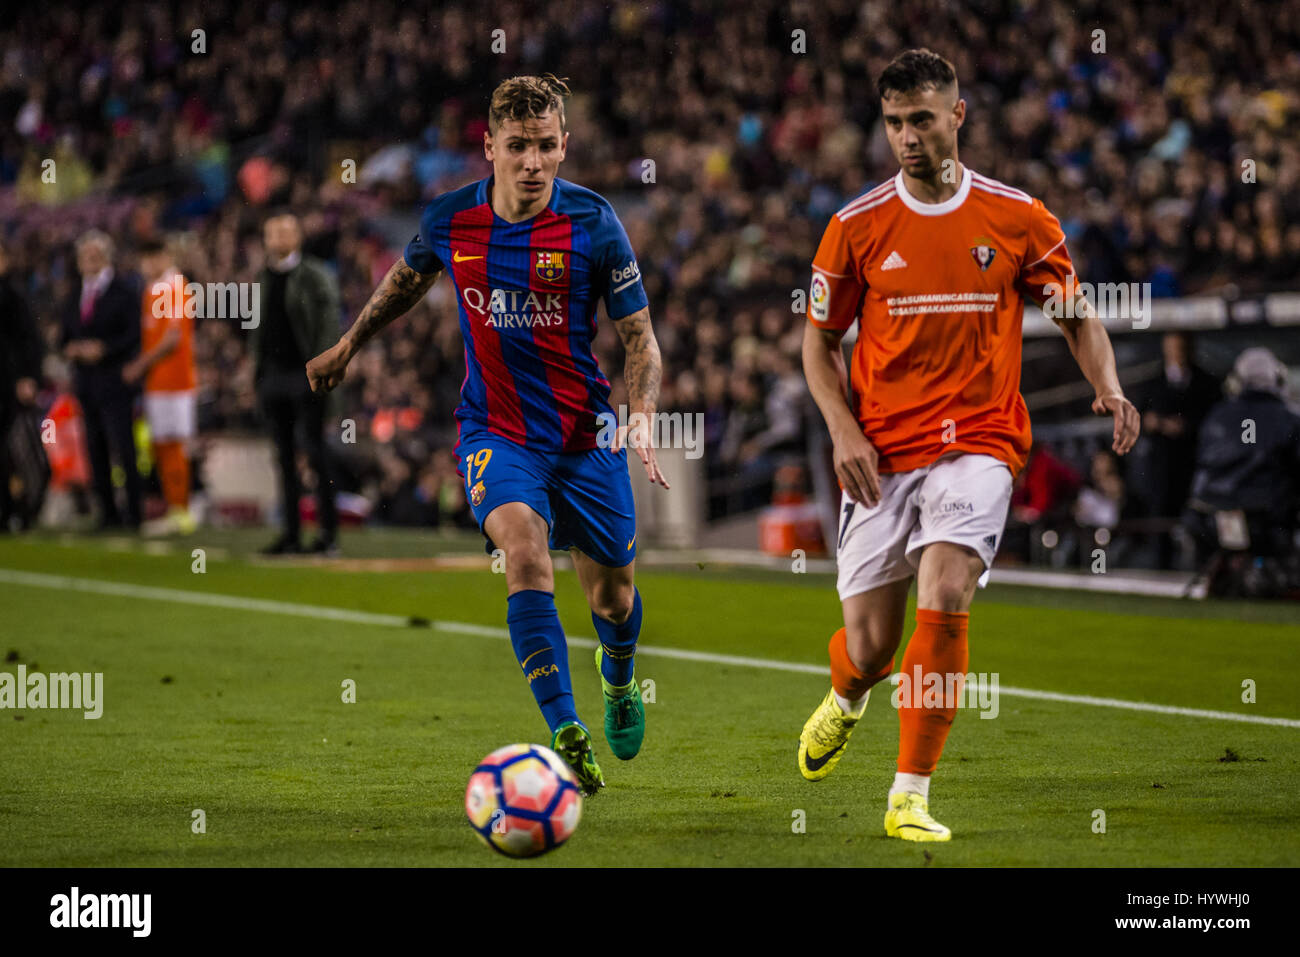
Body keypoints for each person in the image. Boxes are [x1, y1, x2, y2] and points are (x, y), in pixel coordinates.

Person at [797, 50, 1139, 841]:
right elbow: (818, 345)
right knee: (872, 647)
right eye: (893, 124)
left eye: (921, 118)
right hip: (881, 454)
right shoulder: (855, 225)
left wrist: (1109, 384)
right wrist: (843, 427)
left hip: (981, 442)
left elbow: (1077, 314)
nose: (907, 137)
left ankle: (908, 793)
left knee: (946, 591)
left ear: (958, 114)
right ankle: (849, 692)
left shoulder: (1019, 216)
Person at [304, 75, 668, 794]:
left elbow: (641, 339)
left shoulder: (594, 223)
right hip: (495, 432)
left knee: (613, 603)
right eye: (517, 147)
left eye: (544, 147)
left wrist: (644, 413)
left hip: (584, 437)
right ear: (489, 146)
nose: (531, 163)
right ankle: (565, 730)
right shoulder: (450, 220)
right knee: (525, 552)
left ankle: (618, 679)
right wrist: (348, 344)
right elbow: (403, 284)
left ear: (564, 146)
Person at [252, 212, 343, 555]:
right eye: (272, 231)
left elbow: (328, 326)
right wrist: (257, 375)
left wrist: (322, 371)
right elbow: (257, 332)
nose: (278, 237)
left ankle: (328, 535)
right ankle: (291, 535)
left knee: (317, 456)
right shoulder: (263, 278)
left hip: (306, 376)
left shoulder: (315, 276)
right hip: (274, 377)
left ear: (298, 237)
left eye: (285, 231)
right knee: (285, 459)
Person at [60, 230, 144, 531]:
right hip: (86, 381)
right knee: (94, 448)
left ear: (106, 258)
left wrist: (105, 349)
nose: (89, 262)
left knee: (123, 446)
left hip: (115, 379)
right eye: (85, 257)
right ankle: (107, 512)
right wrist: (70, 348)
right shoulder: (74, 294)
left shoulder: (123, 292)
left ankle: (134, 513)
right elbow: (64, 333)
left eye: (94, 256)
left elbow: (134, 334)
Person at [123, 239, 198, 535]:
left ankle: (182, 511)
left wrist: (139, 365)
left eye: (152, 257)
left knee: (175, 444)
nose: (148, 264)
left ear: (164, 256)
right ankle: (174, 509)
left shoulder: (176, 286)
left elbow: (173, 337)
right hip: (157, 382)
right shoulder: (151, 290)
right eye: (145, 258)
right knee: (163, 445)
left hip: (176, 381)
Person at [0, 239, 44, 531]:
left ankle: (19, 509)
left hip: (7, 385)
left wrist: (28, 377)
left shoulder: (12, 295)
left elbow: (30, 339)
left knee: (15, 451)